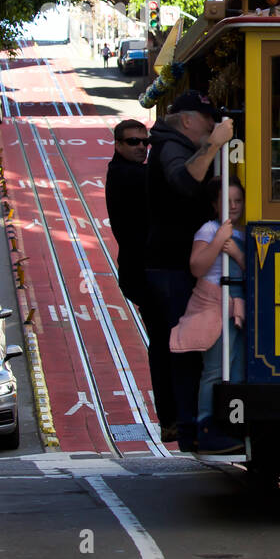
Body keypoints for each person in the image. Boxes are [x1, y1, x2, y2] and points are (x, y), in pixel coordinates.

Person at [145, 90, 234, 452]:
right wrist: (214, 146)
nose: (212, 123)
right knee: (187, 347)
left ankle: (190, 426)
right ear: (187, 120)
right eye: (206, 117)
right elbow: (184, 181)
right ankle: (190, 429)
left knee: (188, 347)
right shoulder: (170, 146)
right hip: (171, 268)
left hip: (173, 266)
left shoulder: (169, 141)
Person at [105, 118, 176, 438]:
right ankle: (171, 418)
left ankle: (172, 417)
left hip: (143, 272)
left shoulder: (133, 173)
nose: (141, 148)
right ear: (118, 144)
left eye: (145, 143)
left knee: (165, 342)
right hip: (145, 274)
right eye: (133, 142)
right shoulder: (126, 175)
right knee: (164, 344)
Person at [170, 177, 246, 454]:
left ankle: (230, 424)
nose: (234, 207)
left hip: (238, 306)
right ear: (215, 205)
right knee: (215, 369)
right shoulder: (209, 229)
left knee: (236, 368)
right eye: (228, 202)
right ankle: (206, 427)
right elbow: (197, 266)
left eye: (238, 201)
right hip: (215, 304)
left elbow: (255, 272)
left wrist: (237, 252)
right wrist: (219, 241)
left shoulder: (245, 233)